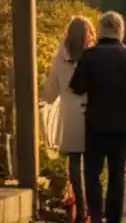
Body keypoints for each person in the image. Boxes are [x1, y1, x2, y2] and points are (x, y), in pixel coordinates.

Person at [69, 11, 126, 223]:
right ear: (121, 31)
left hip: (95, 125)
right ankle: (113, 219)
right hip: (122, 126)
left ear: (101, 30)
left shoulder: (89, 57)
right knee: (116, 176)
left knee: (93, 174)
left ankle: (95, 215)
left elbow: (76, 86)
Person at [41, 16, 95, 222]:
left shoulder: (60, 59)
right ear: (87, 34)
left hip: (70, 116)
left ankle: (80, 208)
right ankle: (91, 206)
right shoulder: (94, 56)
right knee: (92, 164)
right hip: (92, 113)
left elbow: (50, 92)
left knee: (74, 163)